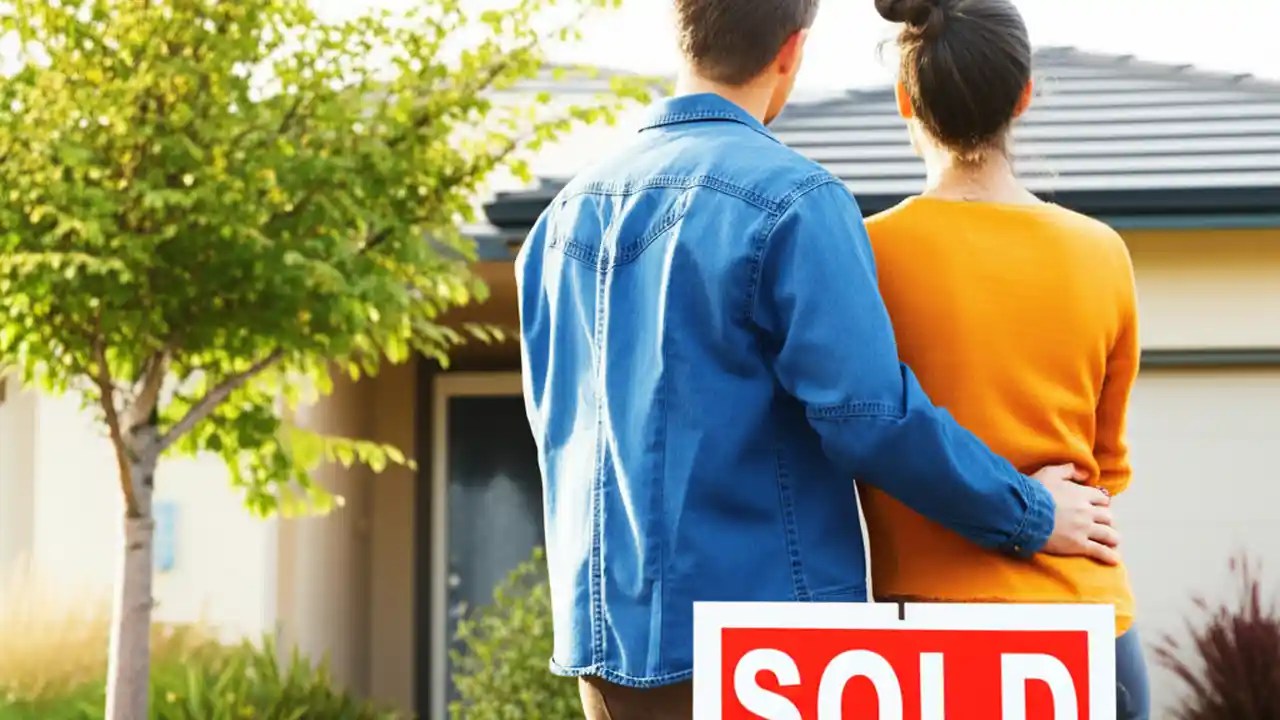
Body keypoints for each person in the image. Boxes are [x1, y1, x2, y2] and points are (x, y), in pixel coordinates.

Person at [515, 1, 1118, 717]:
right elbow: (869, 419)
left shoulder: (558, 223)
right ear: (791, 51)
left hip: (604, 655)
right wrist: (1031, 511)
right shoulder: (793, 202)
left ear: (682, 34)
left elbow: (554, 429)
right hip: (765, 657)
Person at [859, 0, 1151, 717]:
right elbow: (1106, 469)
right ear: (1024, 96)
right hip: (1089, 627)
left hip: (929, 637)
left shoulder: (865, 254)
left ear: (904, 99)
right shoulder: (1102, 252)